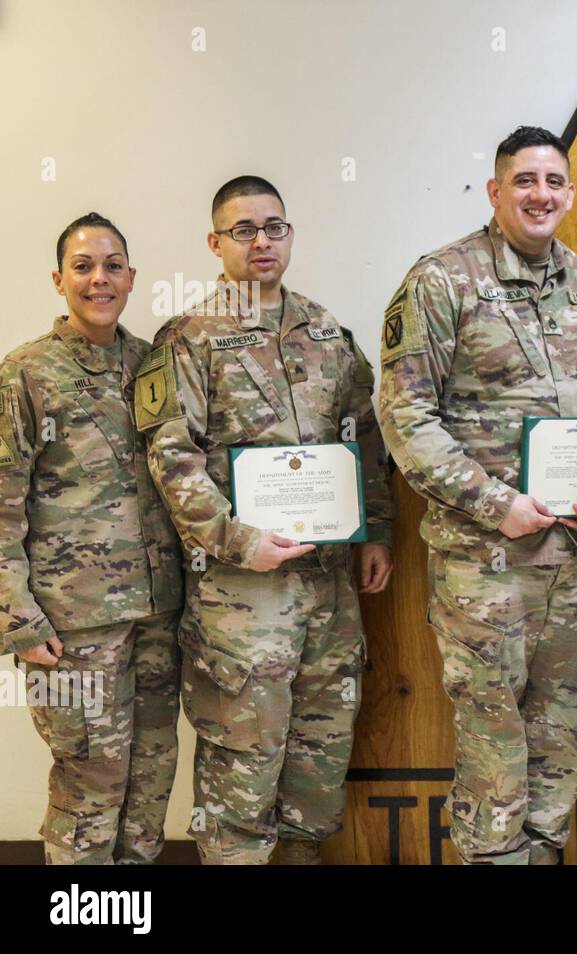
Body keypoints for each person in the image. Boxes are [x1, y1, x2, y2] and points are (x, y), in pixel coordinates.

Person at [379, 126, 577, 865]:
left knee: (562, 729)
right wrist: (497, 505)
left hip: (572, 558)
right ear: (495, 192)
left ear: (571, 194)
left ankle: (543, 854)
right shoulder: (441, 281)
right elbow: (406, 420)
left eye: (554, 181)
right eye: (524, 181)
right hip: (483, 565)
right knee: (493, 734)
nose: (540, 195)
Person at [138, 177, 393, 865]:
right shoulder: (187, 339)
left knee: (318, 761)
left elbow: (365, 437)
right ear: (215, 242)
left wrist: (376, 530)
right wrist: (238, 539)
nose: (261, 241)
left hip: (328, 592)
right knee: (241, 771)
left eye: (274, 227)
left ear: (290, 235)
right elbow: (171, 458)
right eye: (243, 229)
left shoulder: (326, 332)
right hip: (242, 597)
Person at [0, 213, 182, 864]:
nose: (99, 278)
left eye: (112, 266)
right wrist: (17, 617)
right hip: (74, 624)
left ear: (130, 277)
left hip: (158, 612)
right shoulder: (26, 373)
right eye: (83, 267)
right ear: (59, 280)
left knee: (153, 775)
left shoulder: (152, 366)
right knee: (91, 781)